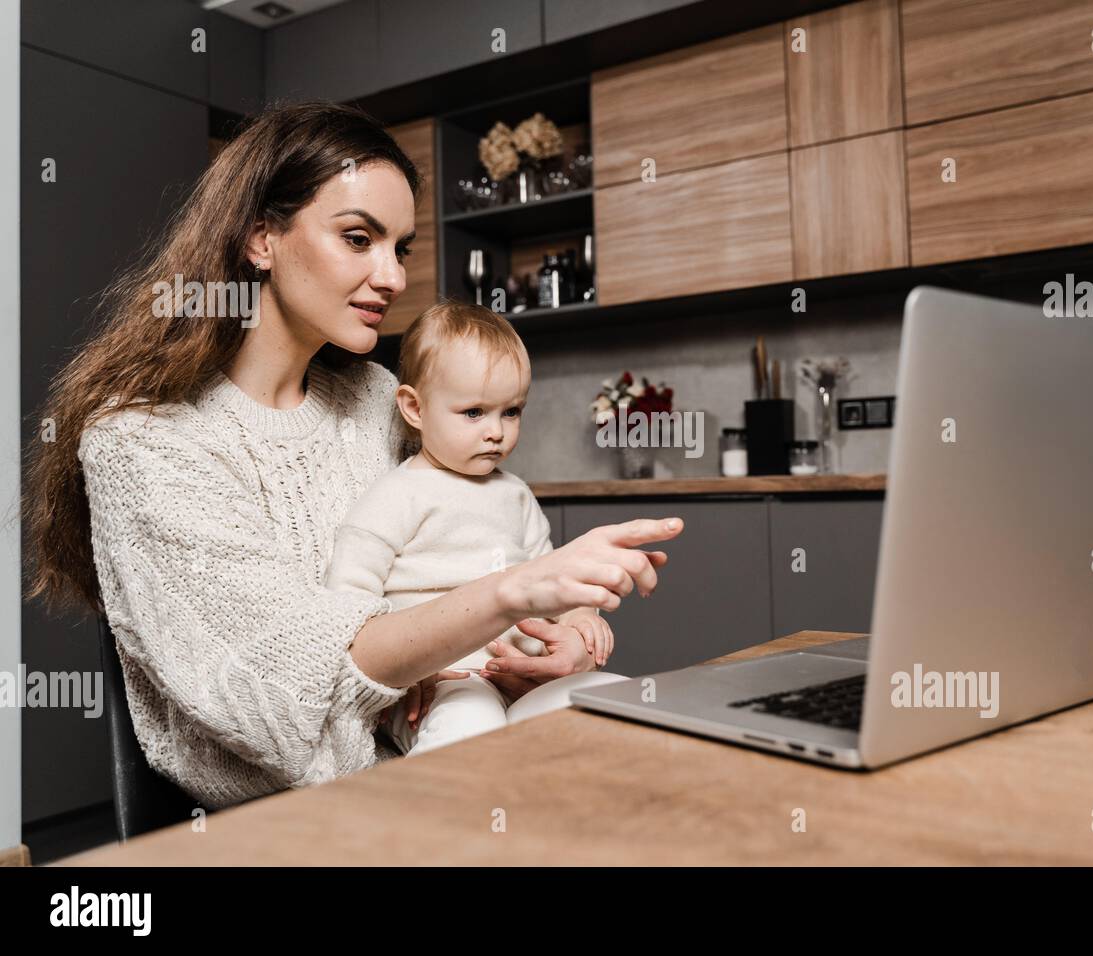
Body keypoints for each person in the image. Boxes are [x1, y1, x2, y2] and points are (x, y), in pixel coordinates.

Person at [23, 101, 682, 811]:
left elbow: (468, 556)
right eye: (359, 238)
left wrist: (562, 642)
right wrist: (501, 601)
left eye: (400, 249)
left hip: (453, 765)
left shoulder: (376, 402)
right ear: (260, 238)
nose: (393, 277)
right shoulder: (144, 443)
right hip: (292, 828)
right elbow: (280, 708)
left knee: (656, 754)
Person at [326, 300, 621, 754]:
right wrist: (400, 673)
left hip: (526, 673)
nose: (496, 432)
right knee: (471, 724)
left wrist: (581, 618)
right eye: (473, 413)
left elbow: (553, 579)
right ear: (414, 408)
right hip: (443, 683)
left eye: (511, 411)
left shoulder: (516, 494)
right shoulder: (396, 494)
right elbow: (348, 601)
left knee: (612, 703)